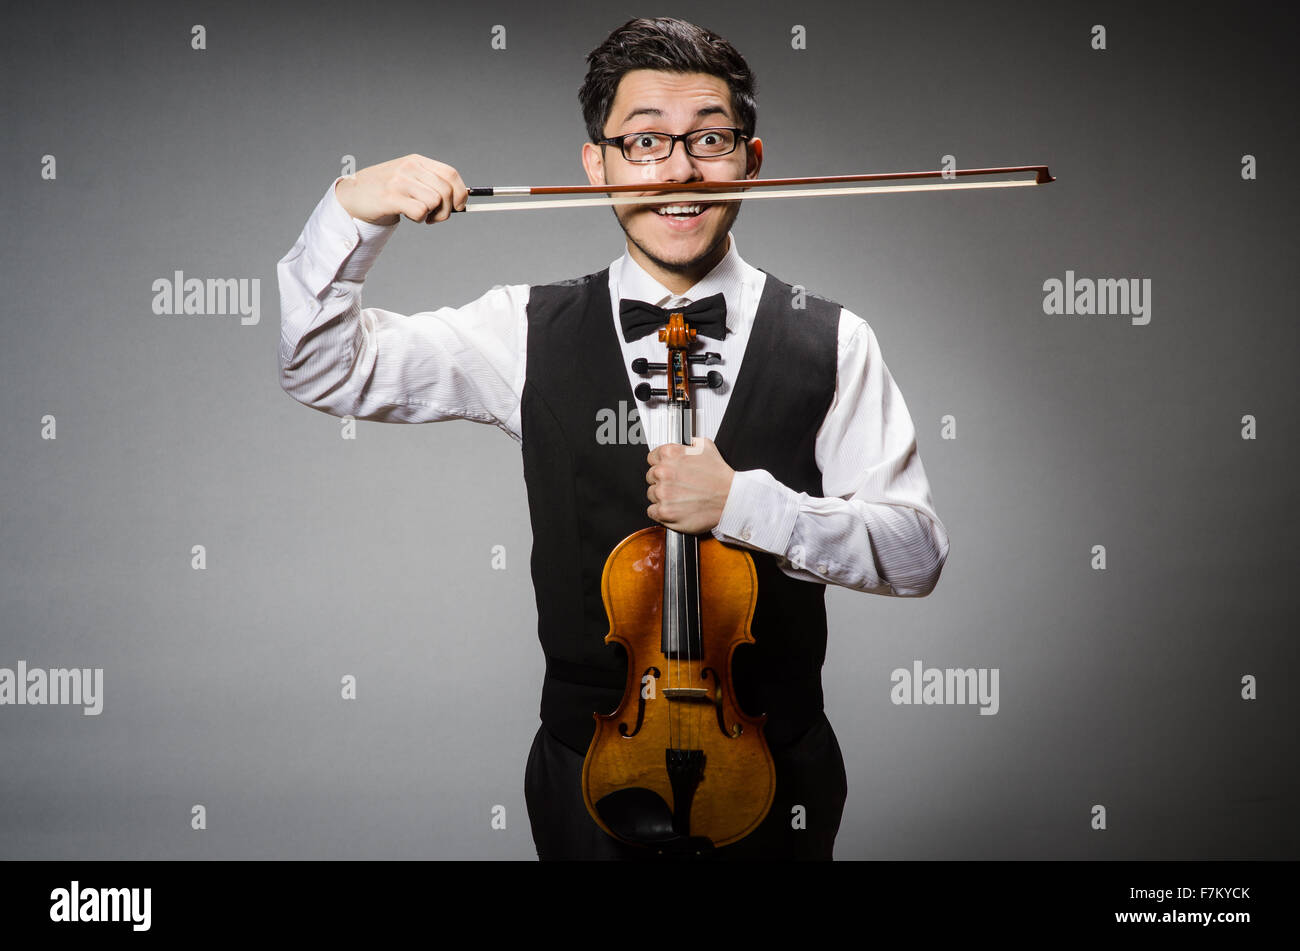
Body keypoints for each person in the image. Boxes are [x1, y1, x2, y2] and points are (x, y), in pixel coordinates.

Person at [277, 16, 949, 860]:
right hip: (589, 760)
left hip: (777, 769)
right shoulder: (523, 327)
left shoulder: (834, 338)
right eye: (644, 143)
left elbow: (918, 552)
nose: (679, 169)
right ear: (596, 163)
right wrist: (349, 211)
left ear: (751, 157)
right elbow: (322, 369)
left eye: (709, 138)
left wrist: (748, 505)